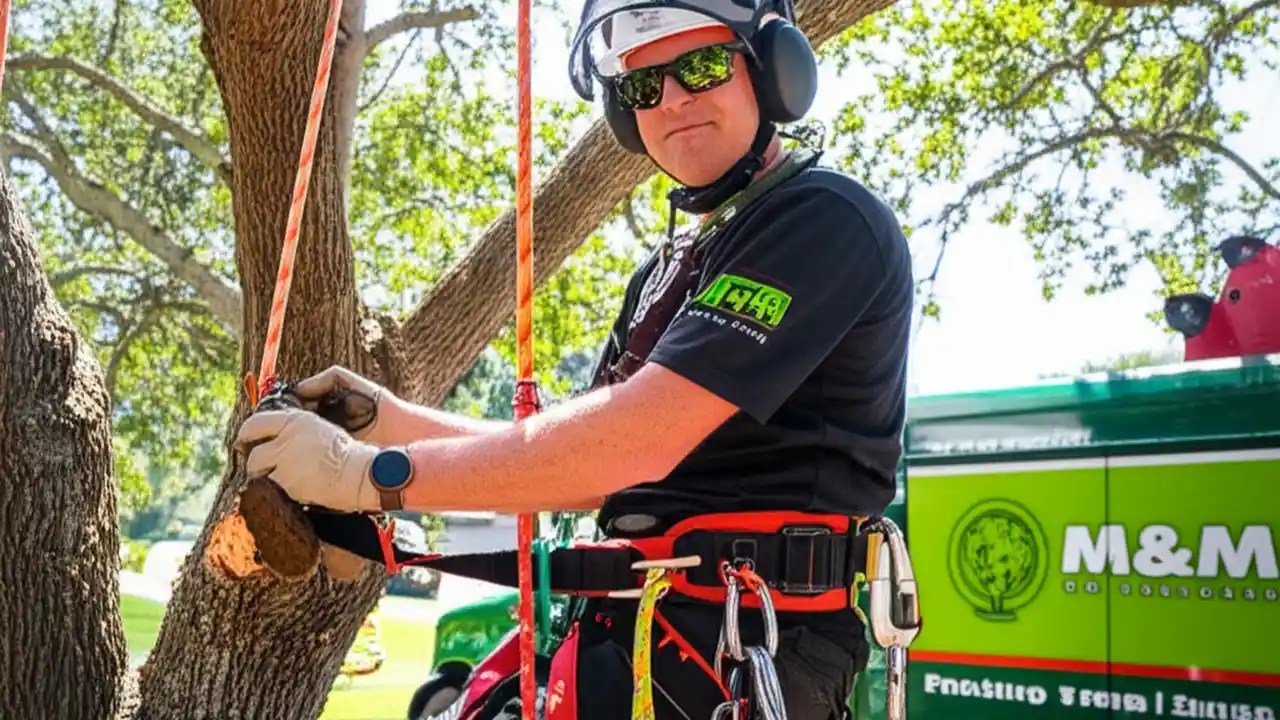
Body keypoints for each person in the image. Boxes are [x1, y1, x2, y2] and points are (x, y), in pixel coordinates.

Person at [234, 0, 913, 716]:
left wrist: (370, 477)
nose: (672, 100)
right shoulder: (666, 270)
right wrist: (392, 426)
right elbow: (581, 461)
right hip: (642, 635)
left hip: (742, 651)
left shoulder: (823, 220)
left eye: (702, 66)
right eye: (643, 84)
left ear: (772, 73)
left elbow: (635, 439)